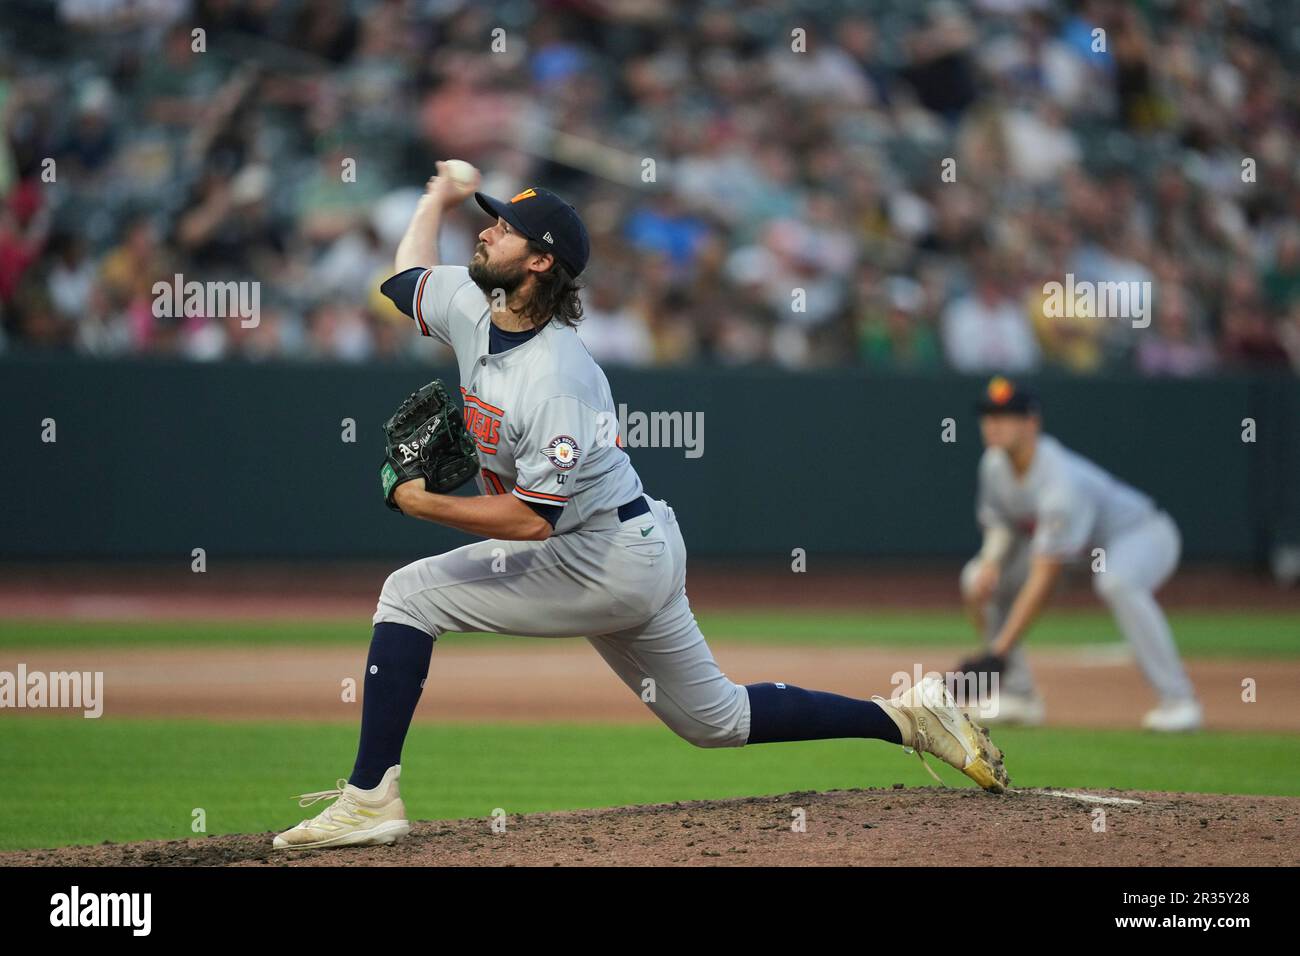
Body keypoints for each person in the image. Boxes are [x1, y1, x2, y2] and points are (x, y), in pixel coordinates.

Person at [272, 164, 1009, 850]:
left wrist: (421, 502)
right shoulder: (473, 304)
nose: (488, 230)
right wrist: (437, 197)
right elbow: (403, 279)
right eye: (490, 219)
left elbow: (532, 521)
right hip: (627, 541)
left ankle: (370, 797)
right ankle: (905, 719)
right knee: (715, 720)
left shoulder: (559, 376)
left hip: (602, 556)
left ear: (539, 265)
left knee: (409, 596)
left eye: (504, 227)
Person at [956, 376, 1202, 732]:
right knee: (975, 577)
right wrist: (992, 562)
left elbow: (1045, 577)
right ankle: (1019, 695)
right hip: (1078, 549)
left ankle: (1180, 701)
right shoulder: (993, 464)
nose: (993, 423)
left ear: (1031, 423)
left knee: (1116, 582)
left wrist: (998, 653)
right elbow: (1001, 523)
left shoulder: (1059, 482)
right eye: (988, 415)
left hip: (1140, 534)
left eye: (1006, 415)